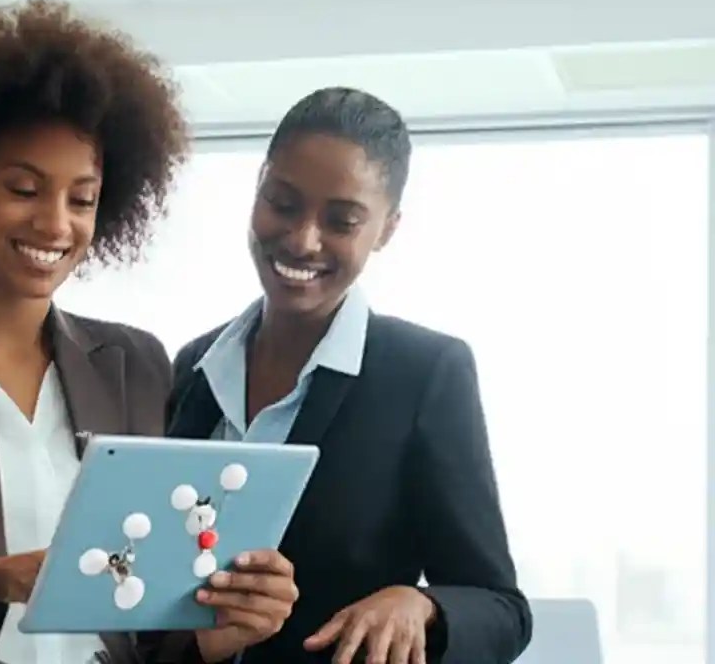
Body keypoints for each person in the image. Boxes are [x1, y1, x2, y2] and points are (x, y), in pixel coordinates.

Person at [0, 0, 299, 664]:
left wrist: (222, 633)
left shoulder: (134, 362)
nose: (55, 224)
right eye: (24, 188)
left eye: (81, 199)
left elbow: (149, 628)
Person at [160, 88, 532, 664]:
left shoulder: (424, 373)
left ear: (386, 229)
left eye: (342, 221)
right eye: (282, 203)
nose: (303, 239)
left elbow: (504, 610)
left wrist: (421, 605)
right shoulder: (194, 368)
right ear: (259, 185)